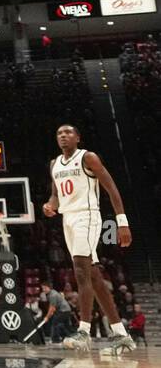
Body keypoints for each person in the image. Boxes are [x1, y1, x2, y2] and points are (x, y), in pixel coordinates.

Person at [44, 124, 135, 352]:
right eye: (59, 133)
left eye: (68, 133)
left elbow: (111, 187)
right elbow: (56, 195)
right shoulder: (55, 164)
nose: (63, 136)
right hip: (68, 219)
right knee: (93, 276)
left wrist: (121, 222)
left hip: (88, 216)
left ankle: (84, 332)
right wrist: (50, 206)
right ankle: (121, 334)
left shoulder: (88, 158)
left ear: (77, 137)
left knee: (81, 270)